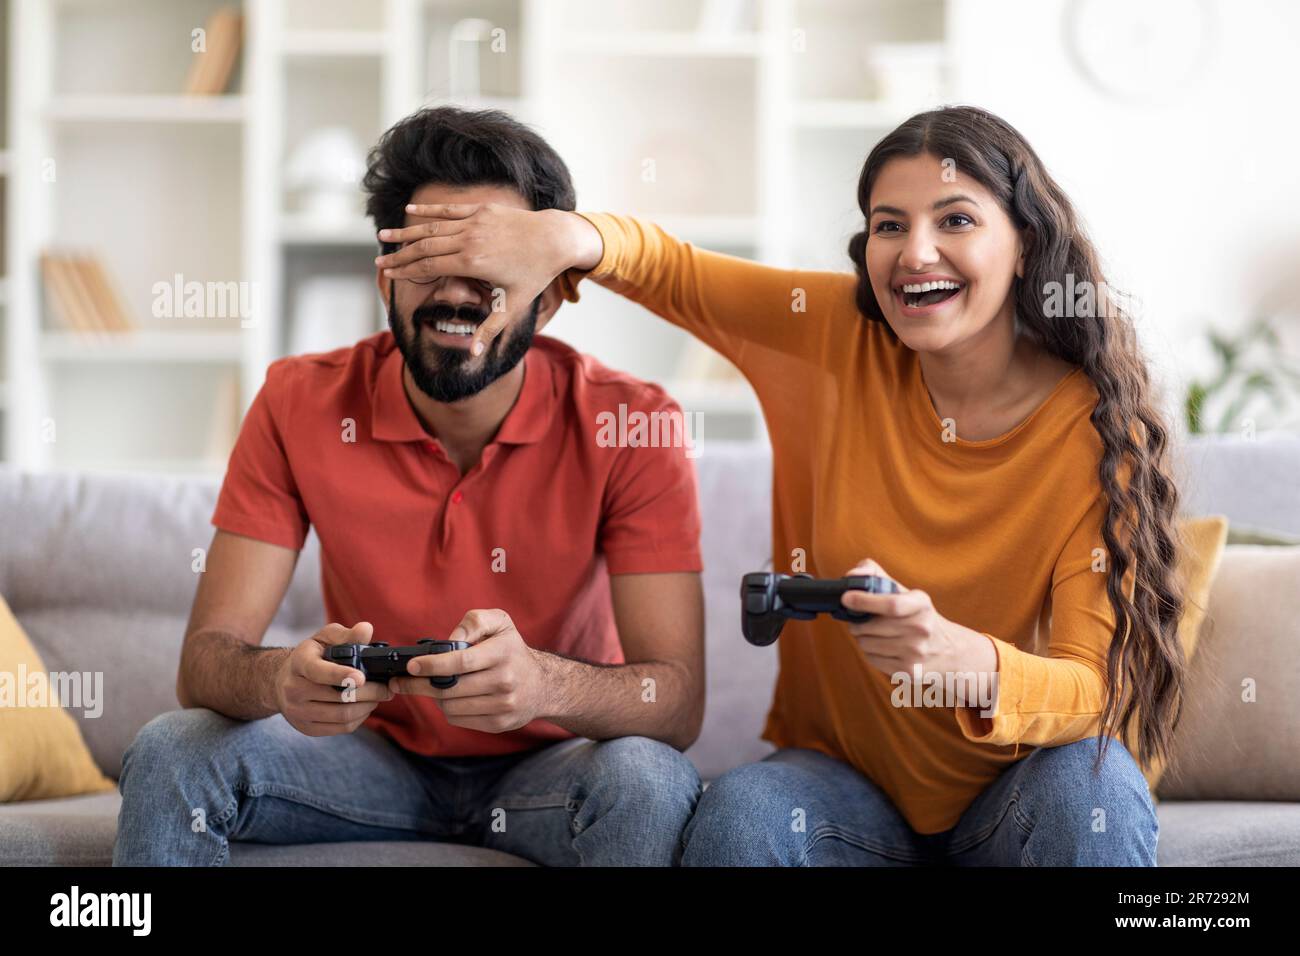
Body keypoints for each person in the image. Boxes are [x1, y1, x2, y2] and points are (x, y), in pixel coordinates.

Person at [372, 105, 1187, 866]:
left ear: (1026, 241)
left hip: (1018, 788)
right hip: (838, 783)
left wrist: (960, 659)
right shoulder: (832, 334)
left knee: (1095, 791)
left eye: (957, 220)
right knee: (739, 820)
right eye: (888, 226)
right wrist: (560, 236)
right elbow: (675, 272)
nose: (916, 252)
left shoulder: (1093, 431)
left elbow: (1093, 687)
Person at [113, 107, 706, 867]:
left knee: (648, 780)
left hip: (552, 769)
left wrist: (543, 686)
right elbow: (205, 663)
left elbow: (677, 702)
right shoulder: (300, 401)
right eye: (426, 259)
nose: (453, 297)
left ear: (551, 298)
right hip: (368, 761)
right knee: (172, 750)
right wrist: (280, 678)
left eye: (487, 268)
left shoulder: (633, 422)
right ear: (384, 279)